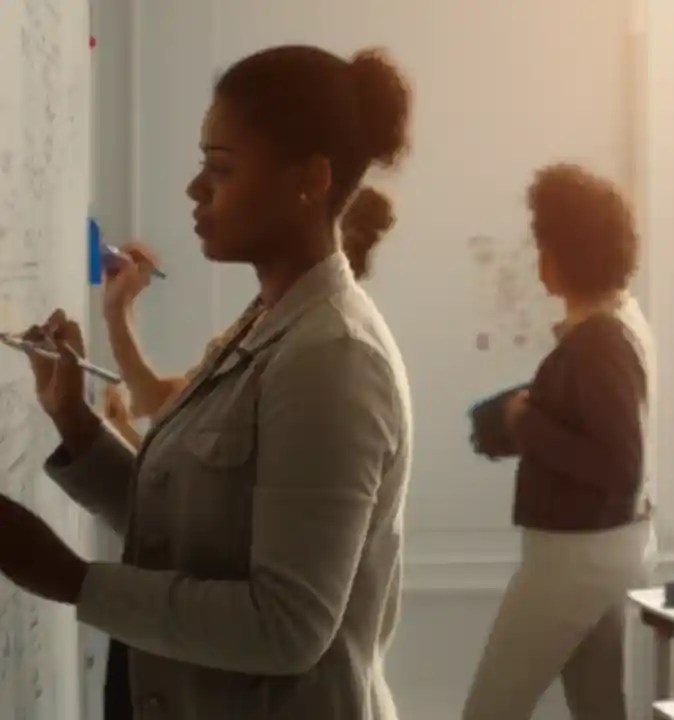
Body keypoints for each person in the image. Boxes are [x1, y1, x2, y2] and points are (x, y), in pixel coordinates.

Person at [0, 44, 413, 719]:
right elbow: (193, 530)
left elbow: (288, 627)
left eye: (220, 169)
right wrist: (74, 423)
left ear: (308, 179)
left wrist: (74, 581)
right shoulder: (270, 325)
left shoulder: (332, 358)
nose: (195, 189)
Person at [462, 164, 656, 720]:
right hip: (609, 548)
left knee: (491, 710)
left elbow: (619, 463)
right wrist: (517, 419)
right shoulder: (620, 324)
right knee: (599, 709)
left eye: (542, 240)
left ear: (564, 253)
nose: (536, 256)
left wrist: (526, 423)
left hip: (573, 556)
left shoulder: (601, 340)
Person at [100, 188, 394, 445]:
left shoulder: (313, 360)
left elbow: (202, 502)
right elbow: (165, 403)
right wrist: (118, 309)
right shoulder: (263, 320)